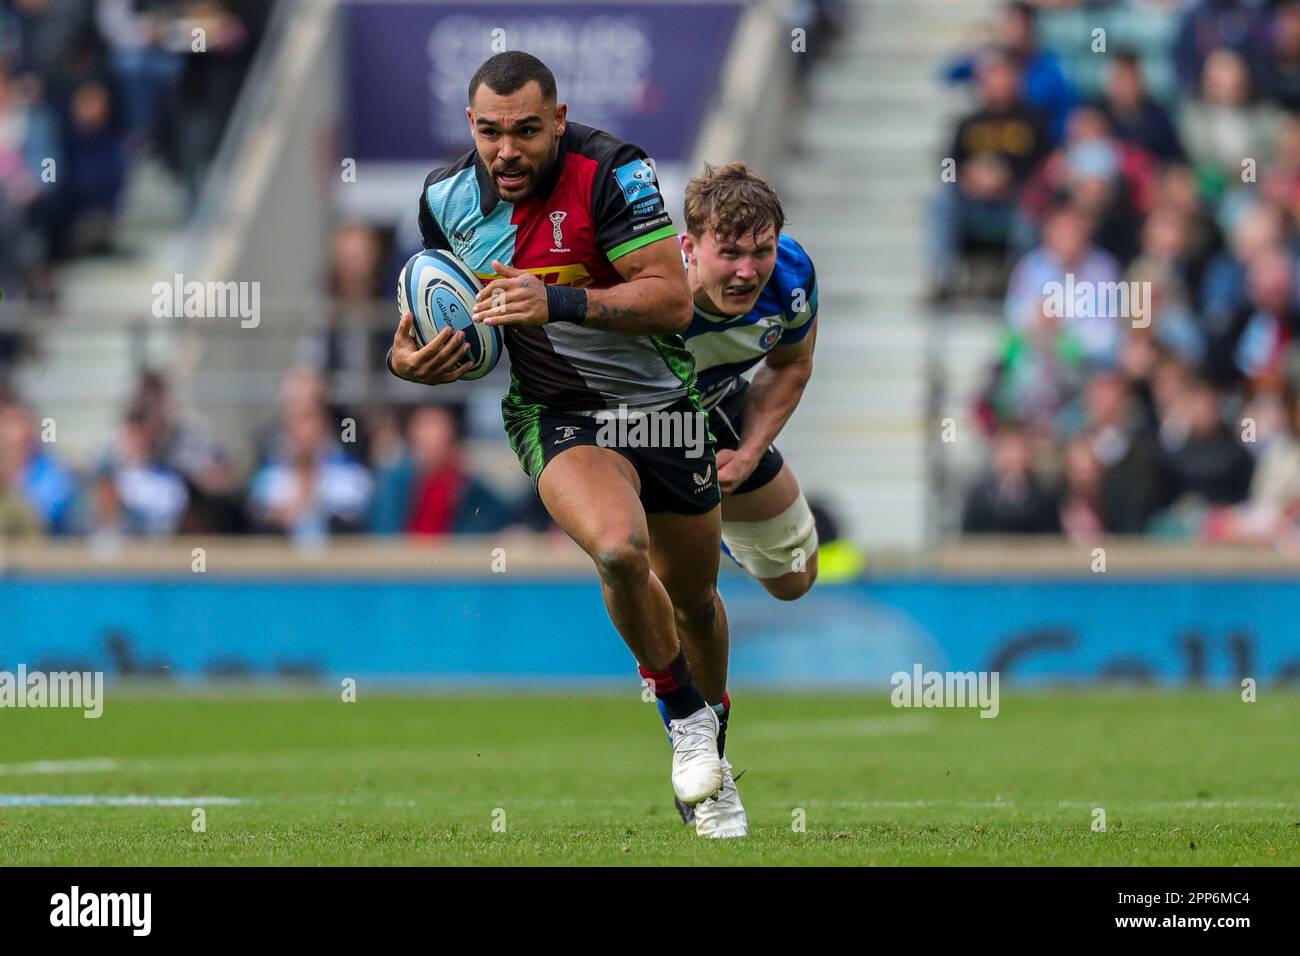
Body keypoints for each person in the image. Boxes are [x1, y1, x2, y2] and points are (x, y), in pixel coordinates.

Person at [386, 52, 741, 837]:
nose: (506, 150)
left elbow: (673, 300)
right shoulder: (444, 200)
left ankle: (715, 751)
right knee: (618, 551)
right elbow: (428, 316)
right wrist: (405, 362)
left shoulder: (614, 171)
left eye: (525, 131)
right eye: (489, 132)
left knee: (694, 600)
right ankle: (683, 721)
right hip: (558, 412)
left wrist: (558, 301)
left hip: (660, 408)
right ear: (470, 127)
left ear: (558, 117)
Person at [677, 162, 820, 601]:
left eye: (762, 251)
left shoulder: (791, 278)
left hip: (711, 403)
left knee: (793, 576)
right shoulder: (649, 286)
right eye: (730, 253)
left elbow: (790, 364)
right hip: (621, 420)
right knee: (671, 574)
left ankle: (715, 525)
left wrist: (746, 455)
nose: (748, 271)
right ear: (690, 247)